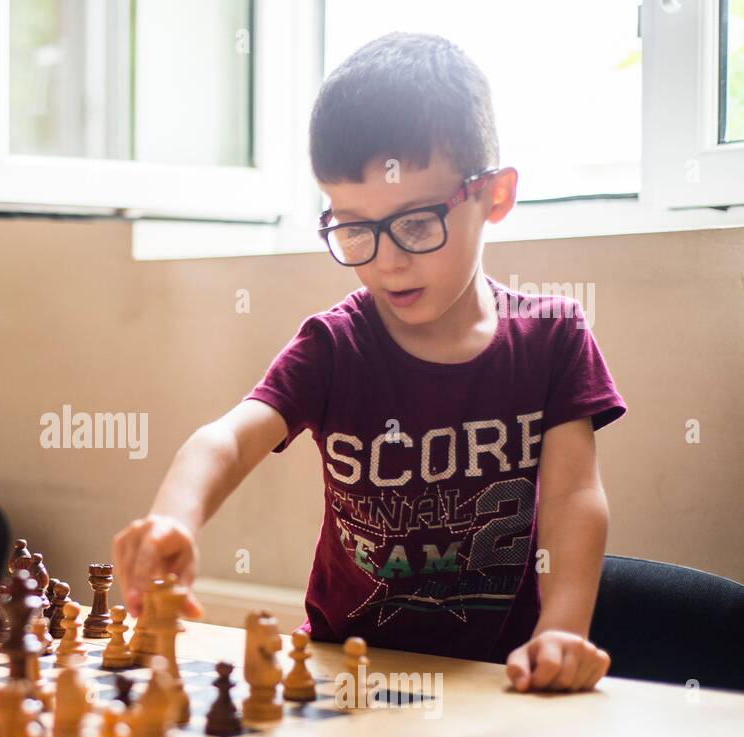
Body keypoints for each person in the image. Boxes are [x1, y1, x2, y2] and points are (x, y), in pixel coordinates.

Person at [114, 34, 625, 693]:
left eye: (416, 224)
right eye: (353, 228)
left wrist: (561, 626)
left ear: (494, 197)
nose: (386, 260)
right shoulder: (334, 347)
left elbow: (572, 497)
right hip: (342, 675)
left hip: (495, 681)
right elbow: (228, 439)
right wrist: (173, 518)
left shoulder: (553, 338)